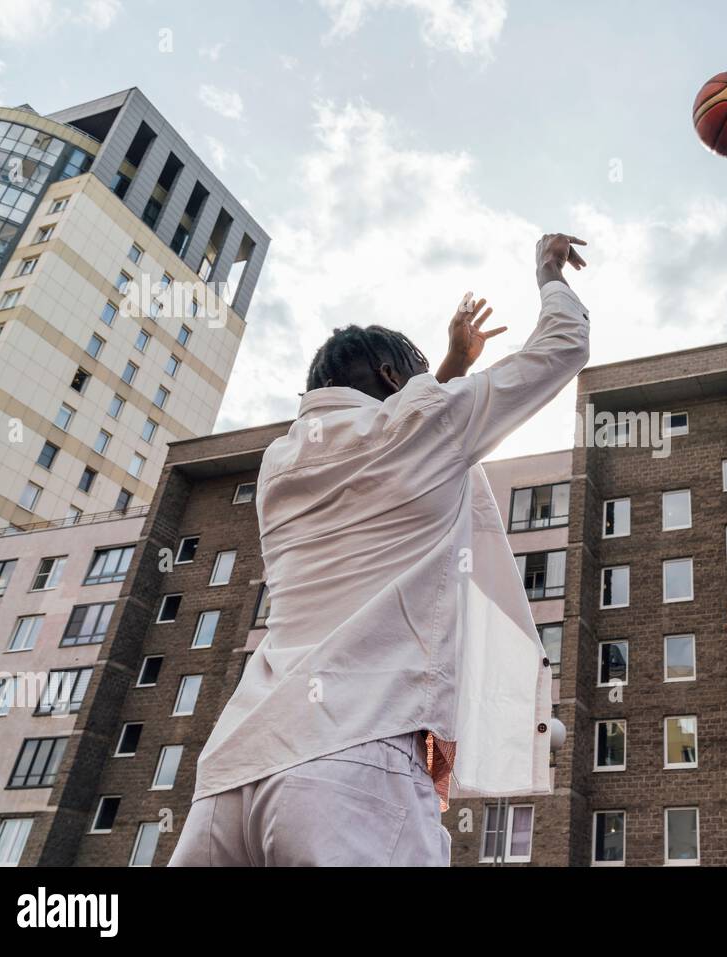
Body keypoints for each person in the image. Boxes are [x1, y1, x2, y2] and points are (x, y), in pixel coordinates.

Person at [168, 233, 590, 866]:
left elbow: (398, 432)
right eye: (416, 376)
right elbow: (563, 347)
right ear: (395, 379)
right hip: (351, 764)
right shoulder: (415, 430)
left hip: (231, 776)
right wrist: (548, 270)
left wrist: (444, 371)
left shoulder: (279, 467)